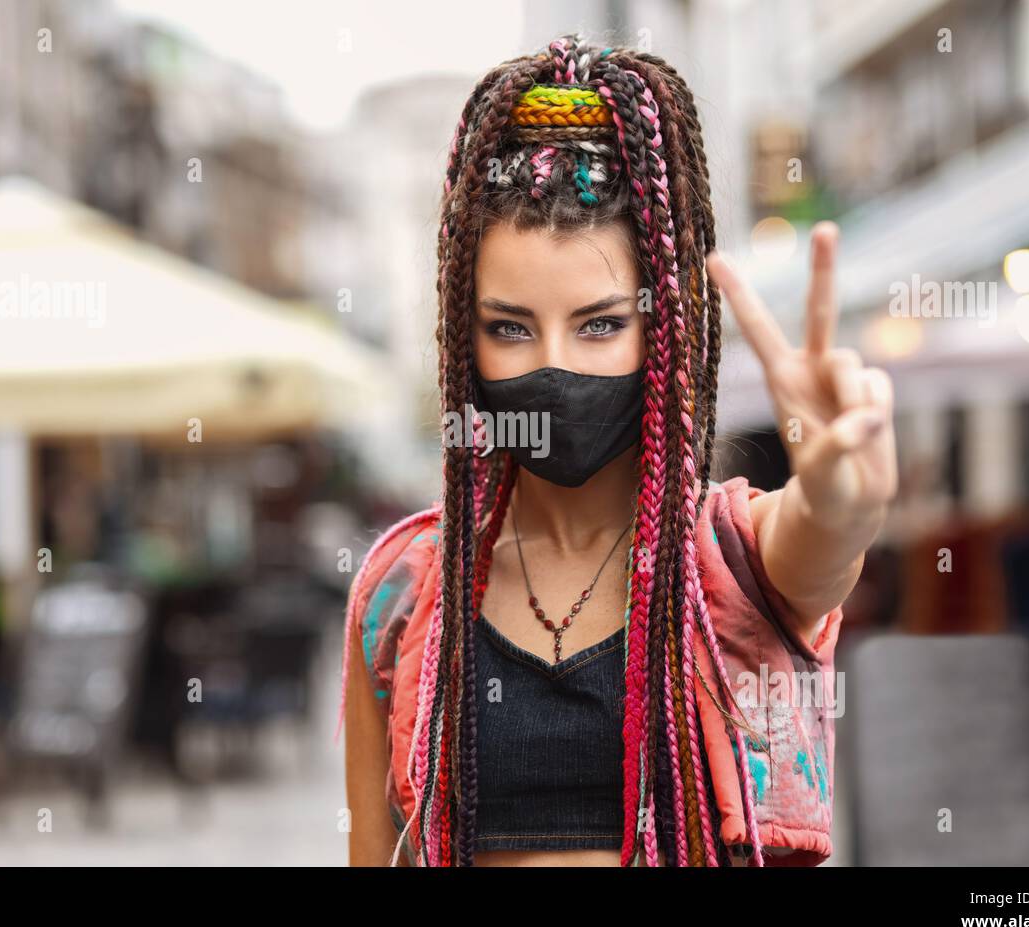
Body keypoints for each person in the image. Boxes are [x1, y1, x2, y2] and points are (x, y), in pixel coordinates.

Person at [338, 34, 896, 867]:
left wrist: (842, 496)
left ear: (661, 330)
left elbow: (819, 551)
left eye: (600, 324)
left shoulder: (735, 560)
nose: (553, 363)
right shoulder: (404, 592)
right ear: (465, 341)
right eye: (510, 328)